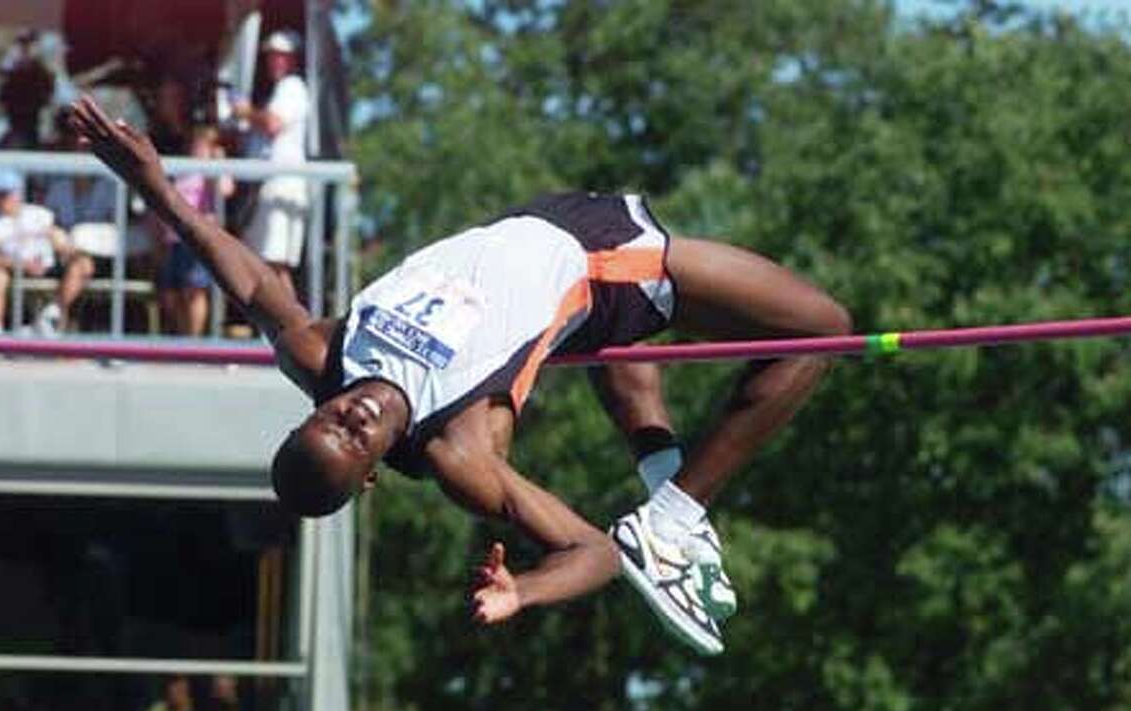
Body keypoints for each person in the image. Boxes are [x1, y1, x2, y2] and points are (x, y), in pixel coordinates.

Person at [70, 97, 851, 656]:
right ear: (373, 470)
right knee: (821, 329)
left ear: (309, 408)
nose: (355, 411)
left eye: (329, 416)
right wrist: (527, 592)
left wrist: (152, 183)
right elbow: (595, 550)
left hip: (546, 221)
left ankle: (667, 487)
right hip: (602, 261)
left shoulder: (322, 355)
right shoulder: (458, 451)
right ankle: (676, 515)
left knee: (616, 355)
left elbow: (242, 278)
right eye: (357, 434)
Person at [234, 30, 309, 299]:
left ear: (293, 60)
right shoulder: (281, 91)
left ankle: (291, 331)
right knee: (267, 266)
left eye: (282, 56)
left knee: (273, 267)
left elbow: (273, 123)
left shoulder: (293, 87)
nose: (275, 62)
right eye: (272, 56)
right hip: (270, 187)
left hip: (281, 186)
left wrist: (244, 112)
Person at [36, 109, 118, 334]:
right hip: (60, 254)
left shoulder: (109, 188)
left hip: (102, 259)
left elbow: (115, 227)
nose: (81, 151)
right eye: (76, 146)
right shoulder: (58, 187)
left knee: (83, 263)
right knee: (80, 263)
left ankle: (54, 313)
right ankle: (54, 319)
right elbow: (47, 224)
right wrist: (62, 242)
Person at [157, 125, 234, 336]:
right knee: (172, 293)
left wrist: (215, 165)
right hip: (175, 239)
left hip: (199, 239)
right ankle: (183, 336)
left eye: (203, 144)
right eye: (195, 143)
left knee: (194, 289)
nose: (197, 148)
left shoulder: (214, 171)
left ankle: (194, 339)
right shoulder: (182, 170)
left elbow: (225, 190)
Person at [0, 170, 57, 334]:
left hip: (49, 269)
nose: (2, 199)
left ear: (19, 193)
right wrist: (23, 265)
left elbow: (59, 241)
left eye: (6, 194)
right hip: (15, 271)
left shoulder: (40, 214)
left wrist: (50, 247)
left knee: (79, 265)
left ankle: (56, 322)